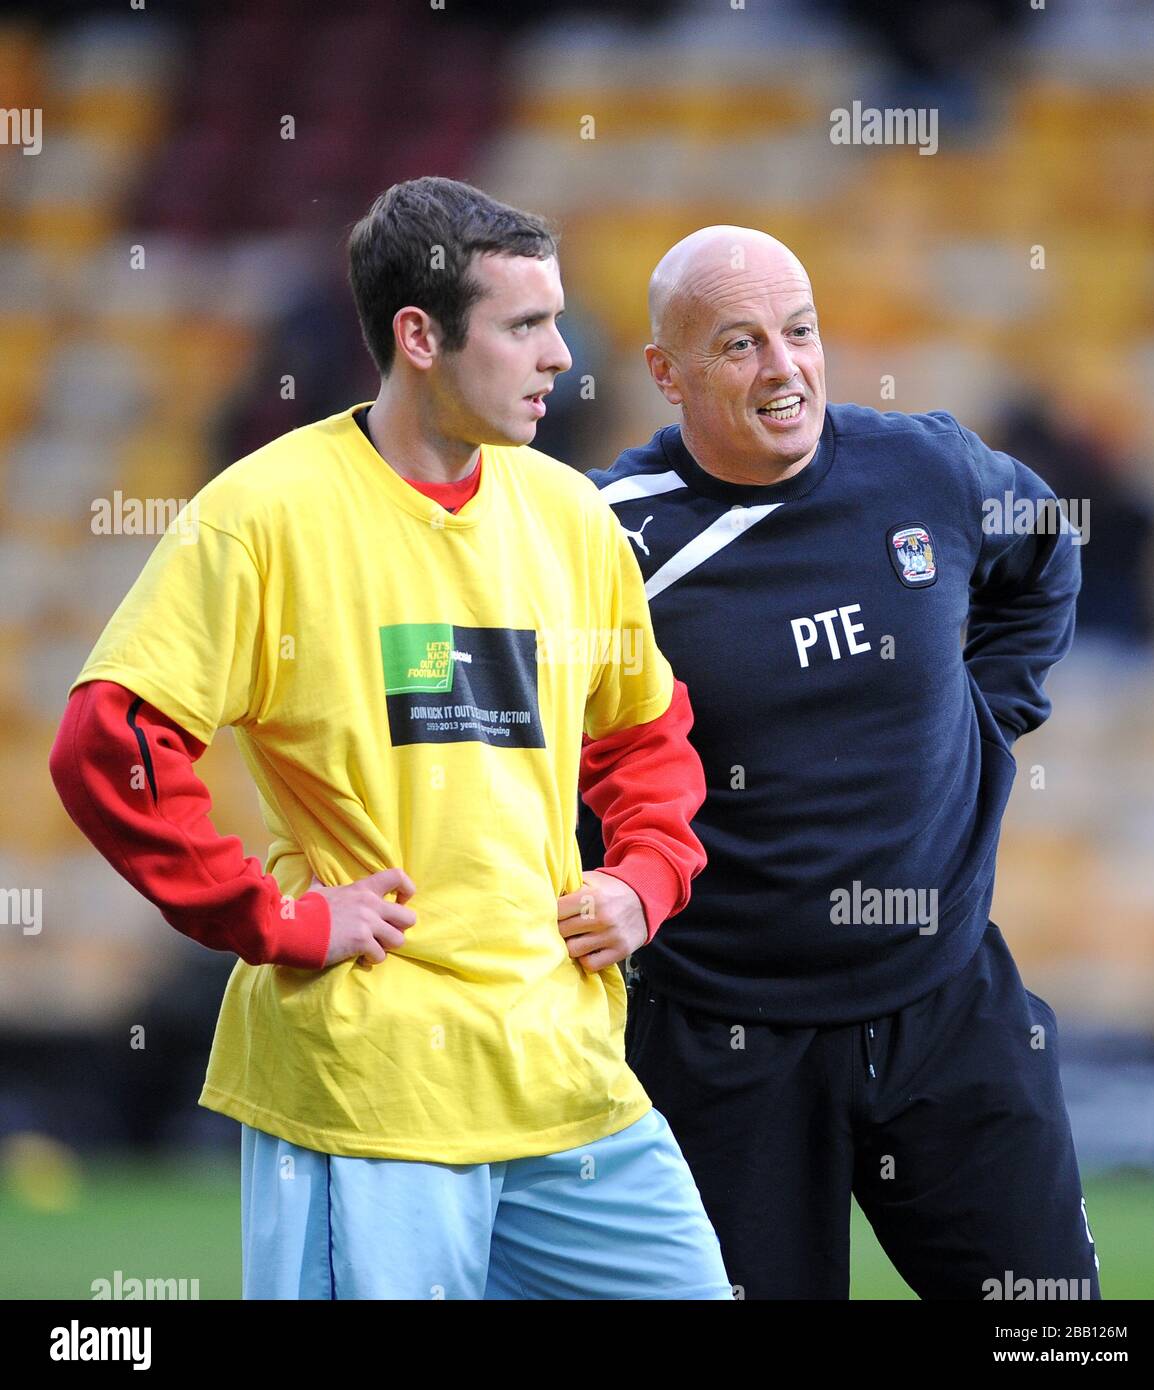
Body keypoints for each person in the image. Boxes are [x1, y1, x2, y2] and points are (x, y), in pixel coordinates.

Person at [49, 178, 732, 1301]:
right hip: (370, 1089)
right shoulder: (261, 514)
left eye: (555, 320)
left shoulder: (570, 515)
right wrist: (272, 916)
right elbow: (106, 743)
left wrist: (646, 876)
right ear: (418, 335)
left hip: (564, 1074)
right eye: (524, 325)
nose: (561, 355)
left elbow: (645, 732)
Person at [578, 225, 1101, 1301]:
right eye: (738, 344)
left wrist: (989, 713)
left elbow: (1044, 550)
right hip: (721, 1041)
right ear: (664, 374)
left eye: (799, 332)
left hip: (949, 1005)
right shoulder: (599, 541)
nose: (783, 368)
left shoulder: (927, 468)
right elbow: (550, 743)